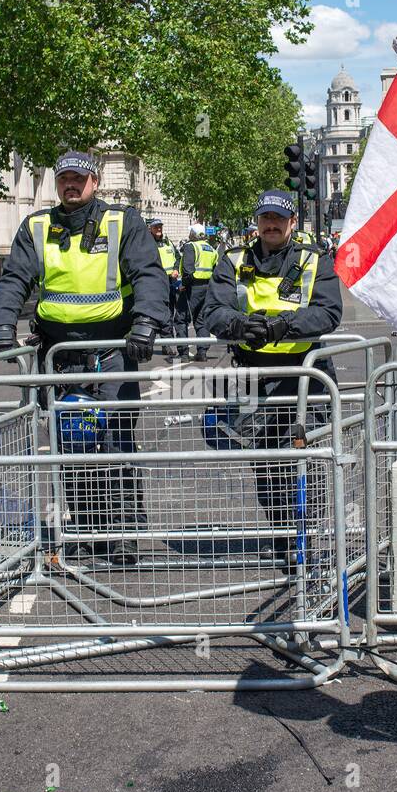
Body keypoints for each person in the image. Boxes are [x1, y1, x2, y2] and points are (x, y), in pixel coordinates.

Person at [0, 150, 168, 565]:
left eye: (79, 178)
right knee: (70, 441)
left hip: (112, 349)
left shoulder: (123, 222)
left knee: (115, 439)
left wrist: (146, 322)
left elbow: (148, 274)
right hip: (57, 354)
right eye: (64, 178)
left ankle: (122, 533)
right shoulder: (36, 226)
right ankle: (85, 527)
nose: (71, 184)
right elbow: (14, 279)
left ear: (95, 182)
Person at [204, 189, 343, 570]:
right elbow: (212, 311)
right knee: (265, 464)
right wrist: (237, 324)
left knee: (303, 461)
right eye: (266, 218)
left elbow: (329, 312)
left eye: (279, 219)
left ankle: (304, 538)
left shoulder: (314, 260)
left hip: (303, 377)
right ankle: (283, 535)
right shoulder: (232, 260)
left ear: (292, 224)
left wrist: (284, 326)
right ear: (257, 221)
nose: (271, 225)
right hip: (252, 375)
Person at [178, 223, 218, 362]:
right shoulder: (211, 249)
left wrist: (183, 285)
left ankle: (183, 354)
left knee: (181, 320)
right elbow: (216, 269)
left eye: (191, 233)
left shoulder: (191, 246)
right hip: (207, 288)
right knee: (201, 320)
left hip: (192, 288)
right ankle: (202, 352)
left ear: (194, 234)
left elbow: (188, 271)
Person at [148, 218, 186, 359]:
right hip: (157, 282)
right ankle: (167, 344)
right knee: (165, 314)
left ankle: (170, 343)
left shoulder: (168, 242)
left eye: (160, 227)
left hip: (172, 281)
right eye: (156, 227)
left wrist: (176, 269)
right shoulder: (148, 243)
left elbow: (177, 257)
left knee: (175, 313)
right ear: (150, 228)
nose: (159, 229)